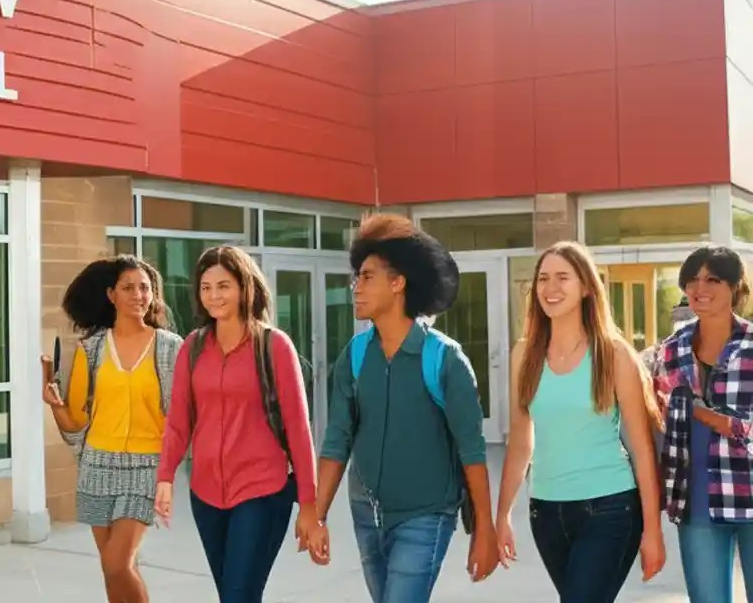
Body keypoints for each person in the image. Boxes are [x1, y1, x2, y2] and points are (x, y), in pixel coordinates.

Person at [311, 213, 498, 602]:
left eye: (367, 277)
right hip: (367, 512)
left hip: (426, 516)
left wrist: (485, 529)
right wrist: (317, 513)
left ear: (398, 284)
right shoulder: (356, 355)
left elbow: (471, 449)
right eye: (355, 278)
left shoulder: (444, 359)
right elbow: (337, 439)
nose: (355, 287)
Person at [494, 242, 666, 602]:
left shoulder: (614, 353)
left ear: (587, 287)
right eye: (543, 278)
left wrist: (653, 531)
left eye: (562, 278)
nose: (550, 288)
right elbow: (522, 442)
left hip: (610, 508)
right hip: (546, 511)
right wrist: (503, 514)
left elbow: (641, 448)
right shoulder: (524, 354)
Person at [153, 245, 319, 602]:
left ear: (245, 287)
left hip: (262, 490)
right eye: (206, 286)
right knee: (234, 595)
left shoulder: (274, 346)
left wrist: (309, 505)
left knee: (238, 596)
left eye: (223, 285)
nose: (214, 295)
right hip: (206, 493)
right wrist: (165, 476)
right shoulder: (193, 348)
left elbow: (298, 429)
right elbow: (179, 418)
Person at [40, 255, 183, 603]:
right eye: (128, 287)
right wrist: (54, 404)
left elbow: (183, 417)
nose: (138, 294)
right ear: (111, 295)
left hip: (146, 466)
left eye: (145, 288)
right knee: (112, 569)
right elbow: (75, 422)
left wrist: (170, 471)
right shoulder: (91, 350)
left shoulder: (171, 348)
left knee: (118, 562)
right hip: (97, 466)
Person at [653, 244, 753, 603]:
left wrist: (703, 413)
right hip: (696, 500)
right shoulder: (669, 350)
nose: (700, 288)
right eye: (692, 280)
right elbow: (655, 417)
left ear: (736, 288)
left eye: (712, 279)